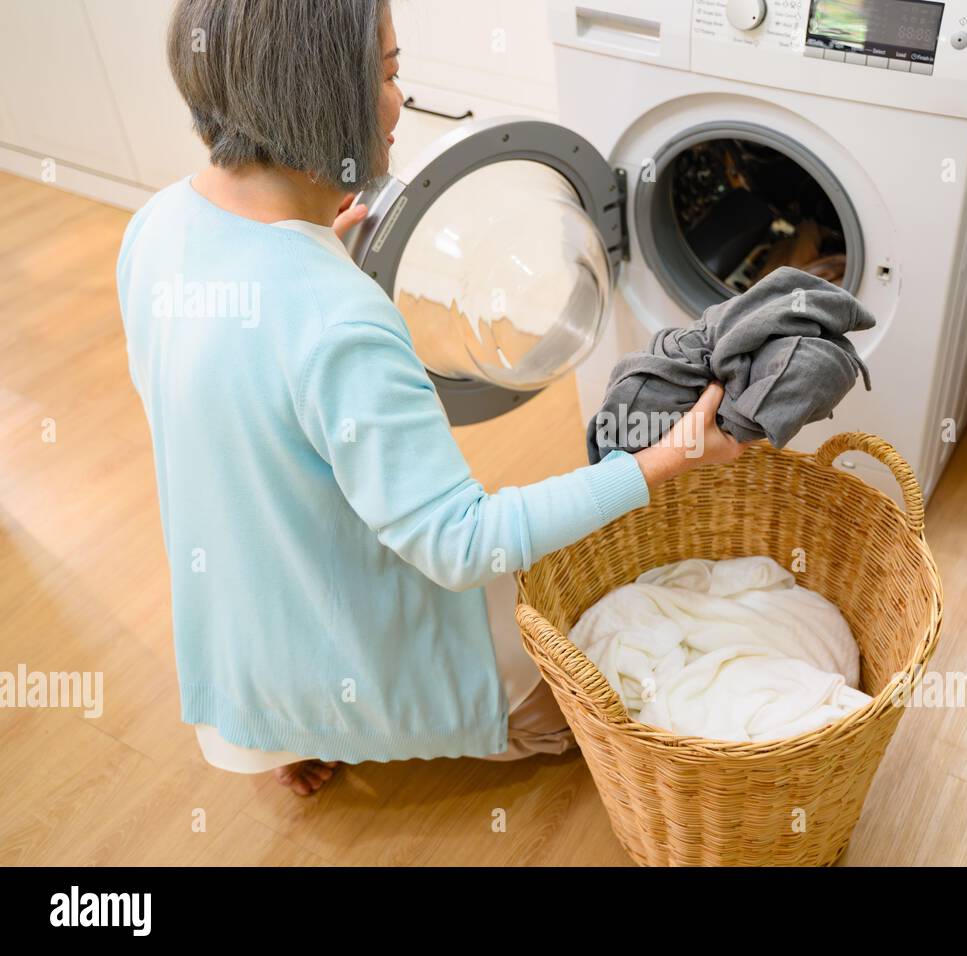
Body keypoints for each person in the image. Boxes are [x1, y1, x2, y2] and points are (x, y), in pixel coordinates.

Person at [117, 0, 751, 796]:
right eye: (387, 74)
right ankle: (371, 718)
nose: (399, 101)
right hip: (387, 656)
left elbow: (234, 415)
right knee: (623, 688)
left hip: (247, 663)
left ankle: (291, 726)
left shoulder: (157, 225)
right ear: (321, 93)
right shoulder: (335, 317)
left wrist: (317, 250)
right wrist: (664, 459)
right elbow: (462, 545)